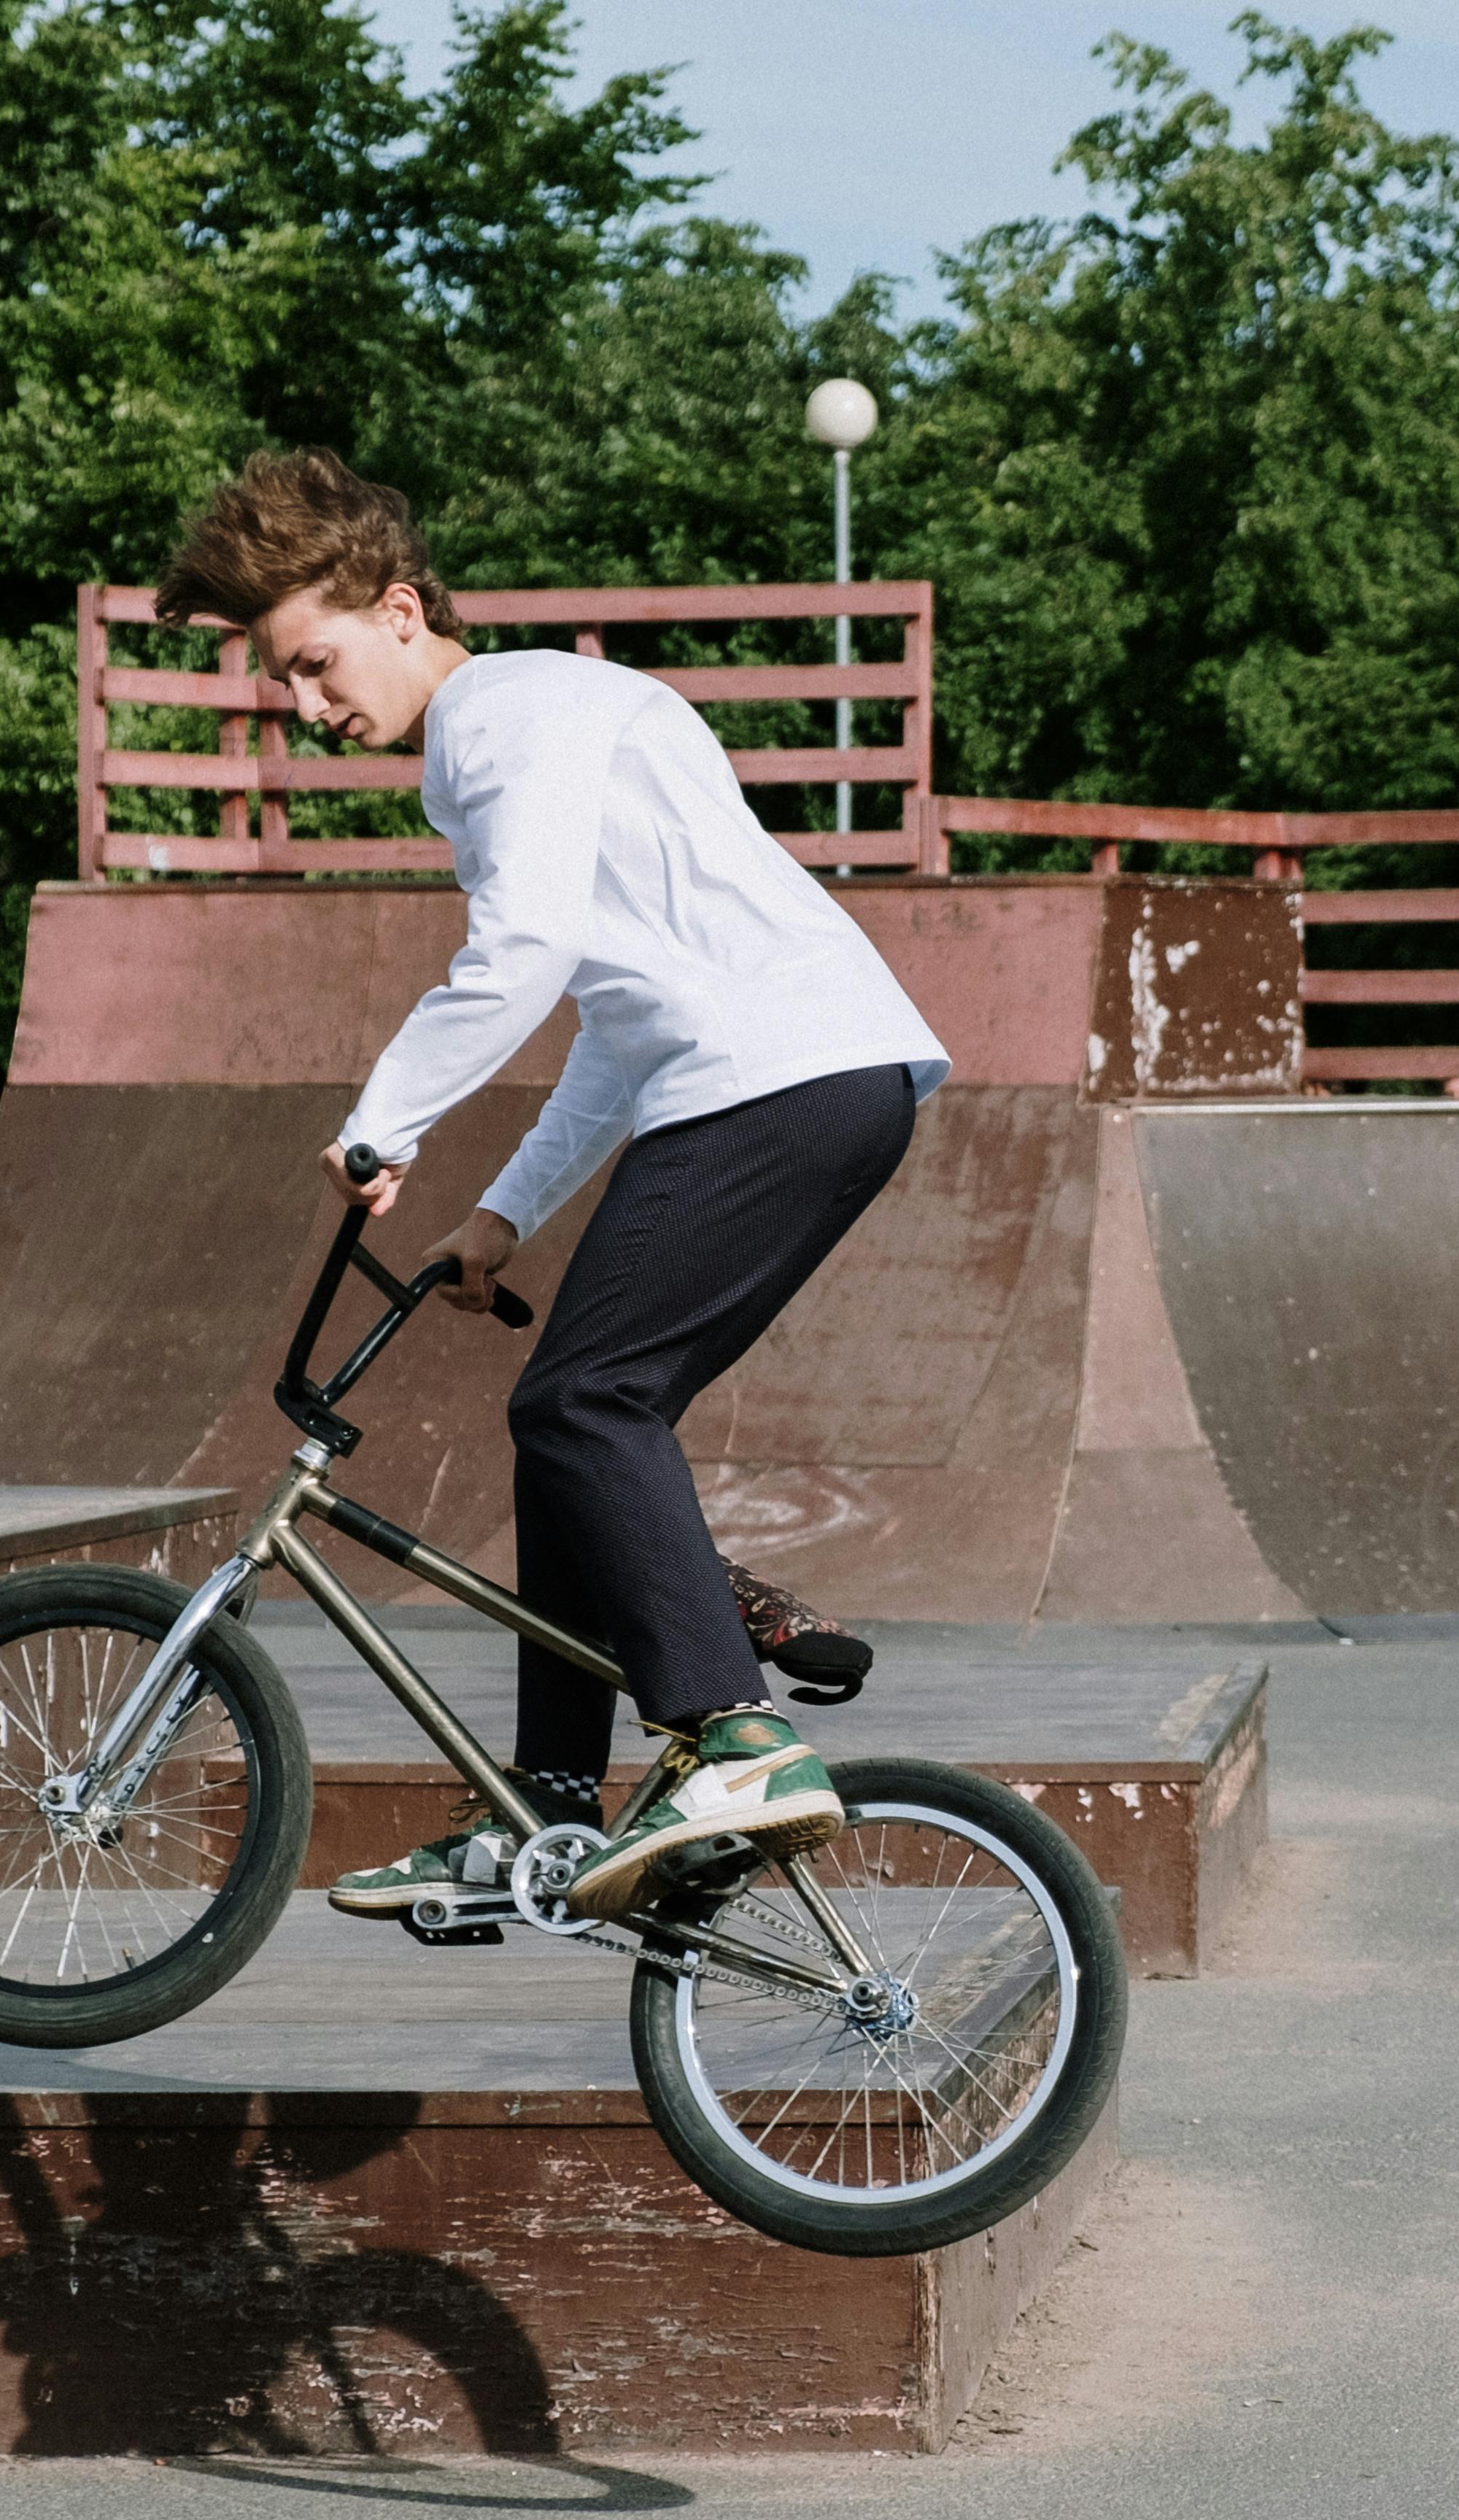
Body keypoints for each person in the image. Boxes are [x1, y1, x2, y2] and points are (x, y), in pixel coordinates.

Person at [152, 452, 946, 1923]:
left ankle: (733, 1732)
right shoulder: (531, 727)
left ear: (400, 609)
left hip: (778, 1077)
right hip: (791, 1079)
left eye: (314, 664)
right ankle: (550, 1807)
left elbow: (515, 957)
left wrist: (384, 1121)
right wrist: (506, 1210)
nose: (307, 709)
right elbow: (603, 1009)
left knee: (583, 1404)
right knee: (565, 1426)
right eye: (282, 683)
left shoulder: (501, 719)